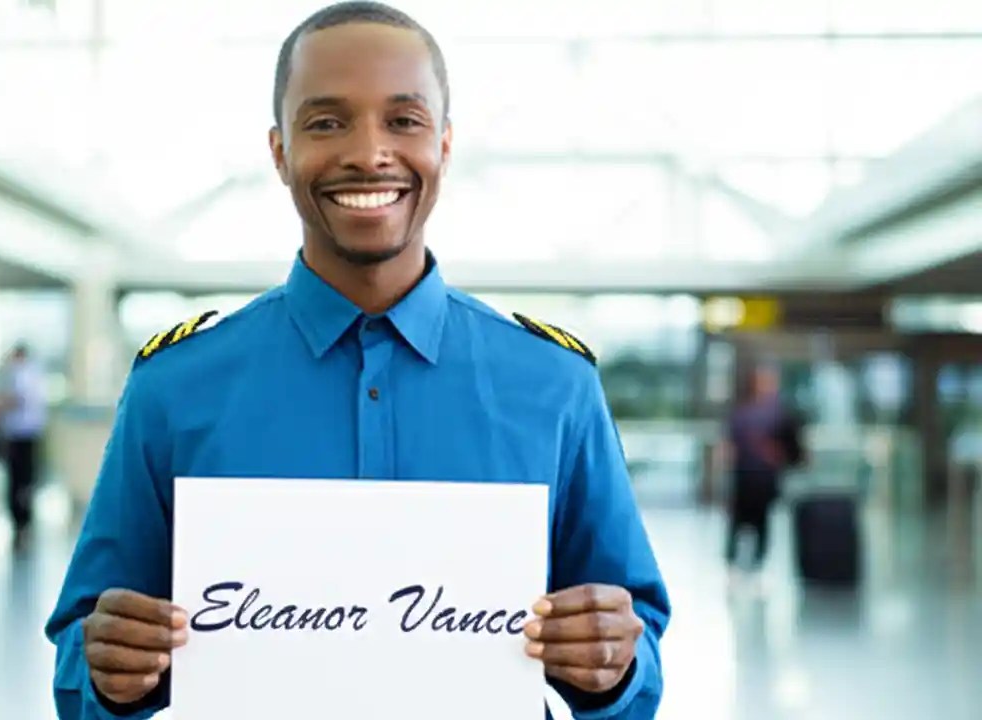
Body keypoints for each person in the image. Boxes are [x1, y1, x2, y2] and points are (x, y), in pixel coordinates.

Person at [45, 3, 670, 719]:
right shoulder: (173, 387)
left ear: (445, 144)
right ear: (279, 151)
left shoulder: (556, 386)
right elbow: (80, 649)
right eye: (326, 122)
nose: (369, 152)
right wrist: (107, 675)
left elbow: (638, 645)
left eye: (403, 120)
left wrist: (615, 668)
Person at [724, 363, 790, 586]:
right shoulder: (741, 414)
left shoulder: (780, 415)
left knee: (762, 523)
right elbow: (730, 446)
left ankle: (758, 566)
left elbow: (793, 449)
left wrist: (778, 456)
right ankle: (732, 564)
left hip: (765, 479)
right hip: (743, 478)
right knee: (738, 523)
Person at [0, 344, 47, 539]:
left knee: (18, 480)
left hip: (20, 435)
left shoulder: (20, 373)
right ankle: (24, 521)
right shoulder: (35, 373)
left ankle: (20, 521)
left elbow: (16, 399)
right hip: (30, 433)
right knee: (26, 479)